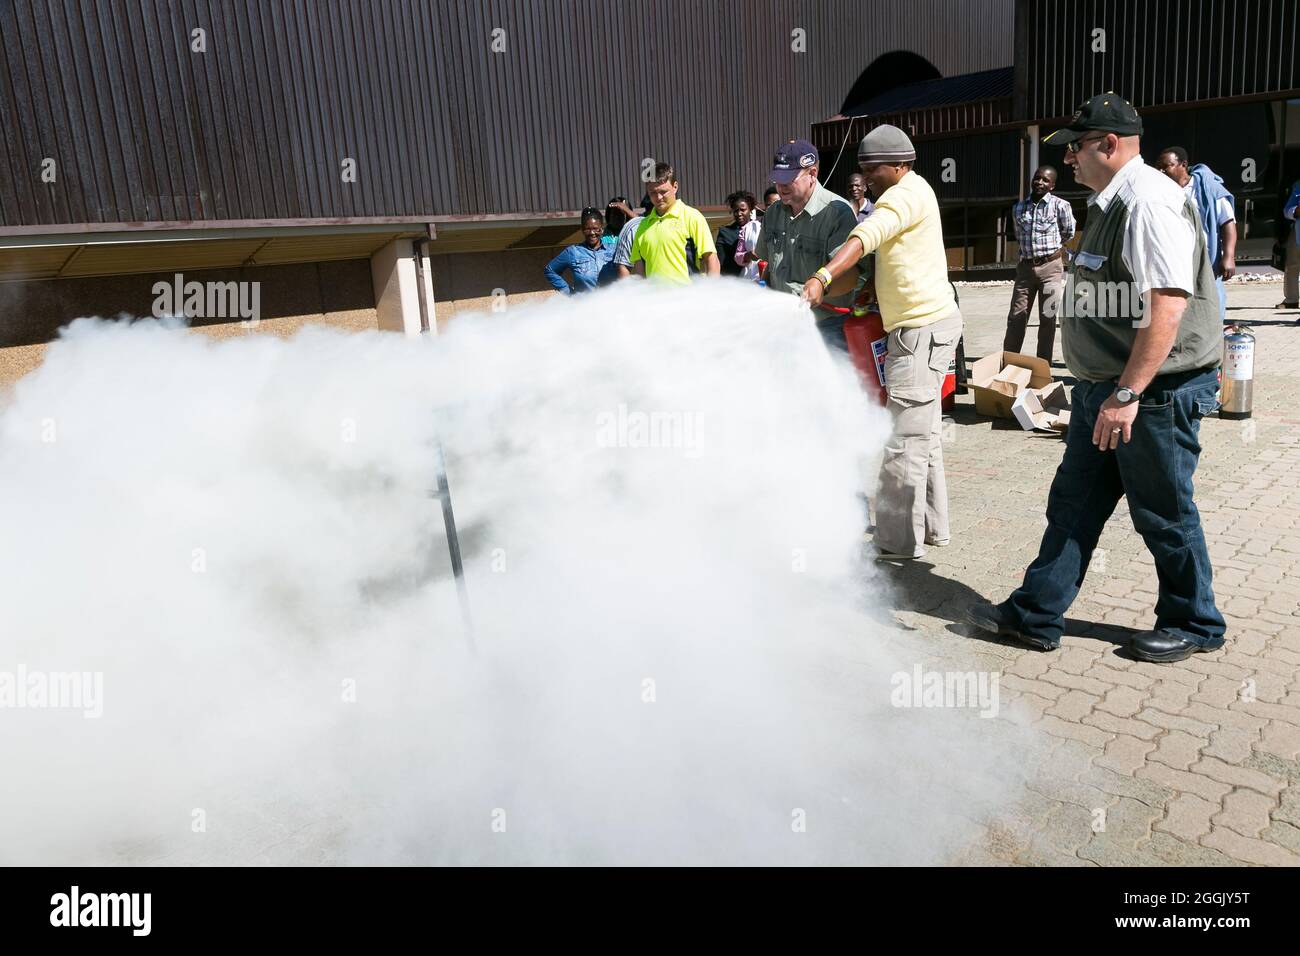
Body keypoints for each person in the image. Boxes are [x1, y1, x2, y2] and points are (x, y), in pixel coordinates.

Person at [965, 92, 1225, 663]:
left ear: (1109, 145)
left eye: (1078, 147)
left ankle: (1195, 622)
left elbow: (1167, 309)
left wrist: (1127, 394)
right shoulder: (1110, 202)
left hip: (1151, 394)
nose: (1070, 159)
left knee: (1163, 510)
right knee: (1075, 503)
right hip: (1103, 391)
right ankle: (1036, 613)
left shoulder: (1148, 203)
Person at [802, 124, 962, 561]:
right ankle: (932, 527)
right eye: (863, 170)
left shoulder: (901, 197)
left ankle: (895, 543)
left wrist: (823, 276)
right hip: (929, 326)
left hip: (919, 334)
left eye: (872, 170)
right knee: (923, 435)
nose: (866, 178)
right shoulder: (915, 190)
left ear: (899, 164)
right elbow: (898, 253)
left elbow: (866, 237)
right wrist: (878, 291)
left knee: (902, 441)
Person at [748, 140, 858, 347]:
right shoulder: (772, 213)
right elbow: (770, 265)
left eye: (789, 179)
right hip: (783, 324)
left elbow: (850, 277)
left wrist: (820, 287)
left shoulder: (837, 214)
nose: (781, 187)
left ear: (813, 174)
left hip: (825, 327)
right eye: (777, 180)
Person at [1155, 147, 1236, 321]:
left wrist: (1228, 256)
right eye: (1158, 167)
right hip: (1174, 260)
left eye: (1166, 166)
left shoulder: (1208, 188)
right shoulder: (1160, 192)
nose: (1161, 171)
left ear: (1183, 165)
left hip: (1205, 259)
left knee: (1211, 302)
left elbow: (1227, 222)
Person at [1004, 165, 1075, 360]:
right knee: (1017, 317)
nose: (1040, 183)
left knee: (1048, 318)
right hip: (1026, 269)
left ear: (1052, 185)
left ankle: (1043, 367)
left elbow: (1068, 232)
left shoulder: (1061, 206)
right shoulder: (1018, 208)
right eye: (1037, 178)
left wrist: (1051, 249)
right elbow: (1019, 235)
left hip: (1051, 267)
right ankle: (1009, 364)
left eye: (1045, 180)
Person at [628, 163, 719, 283]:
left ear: (675, 187)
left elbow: (712, 259)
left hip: (688, 299)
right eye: (653, 193)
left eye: (663, 191)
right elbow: (639, 271)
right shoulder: (643, 226)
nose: (658, 197)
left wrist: (713, 295)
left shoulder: (692, 217)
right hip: (655, 300)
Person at [543, 208, 618, 294]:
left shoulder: (614, 249)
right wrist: (569, 293)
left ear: (602, 229)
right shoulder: (573, 252)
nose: (592, 233)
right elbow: (550, 270)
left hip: (611, 305)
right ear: (582, 229)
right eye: (587, 229)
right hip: (584, 306)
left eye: (595, 228)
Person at [715, 191, 757, 277]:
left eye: (743, 210)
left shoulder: (759, 228)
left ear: (751, 209)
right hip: (735, 280)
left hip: (758, 277)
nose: (739, 214)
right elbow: (720, 262)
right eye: (735, 210)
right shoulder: (725, 232)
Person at [1280, 177, 1300, 310]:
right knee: (1292, 264)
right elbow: (1287, 210)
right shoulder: (1298, 185)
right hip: (1298, 231)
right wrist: (1296, 211)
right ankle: (1291, 300)